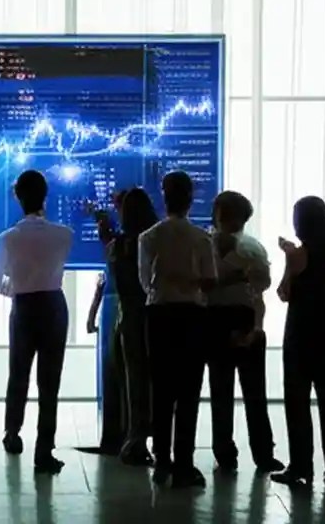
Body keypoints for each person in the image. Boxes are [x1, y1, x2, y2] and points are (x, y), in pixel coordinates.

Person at [0, 169, 73, 475]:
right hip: (54, 305)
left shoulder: (7, 238)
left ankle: (12, 433)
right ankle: (44, 450)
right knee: (50, 382)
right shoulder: (64, 234)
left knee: (18, 374)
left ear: (18, 197)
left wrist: (15, 289)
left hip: (23, 307)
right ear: (44, 196)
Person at [138, 171, 214, 488]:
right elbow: (210, 281)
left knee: (162, 388)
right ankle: (184, 461)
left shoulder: (149, 237)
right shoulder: (201, 238)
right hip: (192, 317)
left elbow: (145, 283)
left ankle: (162, 460)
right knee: (188, 391)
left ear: (164, 197)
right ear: (190, 198)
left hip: (158, 315)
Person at [271, 196, 325, 487]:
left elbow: (283, 293)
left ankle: (302, 466)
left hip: (300, 329)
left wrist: (288, 259)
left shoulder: (298, 254)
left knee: (297, 400)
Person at [205, 192, 283, 474]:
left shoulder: (224, 245)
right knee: (243, 390)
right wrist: (239, 275)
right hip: (233, 317)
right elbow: (260, 282)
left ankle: (235, 452)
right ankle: (254, 453)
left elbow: (261, 283)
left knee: (231, 389)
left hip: (230, 319)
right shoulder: (247, 247)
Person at [107, 187, 158, 467]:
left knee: (133, 379)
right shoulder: (155, 240)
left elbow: (119, 276)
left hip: (129, 318)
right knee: (157, 379)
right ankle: (158, 438)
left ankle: (135, 438)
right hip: (157, 315)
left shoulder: (120, 245)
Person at [86, 189, 127, 455]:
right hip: (118, 308)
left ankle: (116, 435)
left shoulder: (122, 245)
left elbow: (104, 282)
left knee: (114, 373)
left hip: (118, 310)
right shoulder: (131, 242)